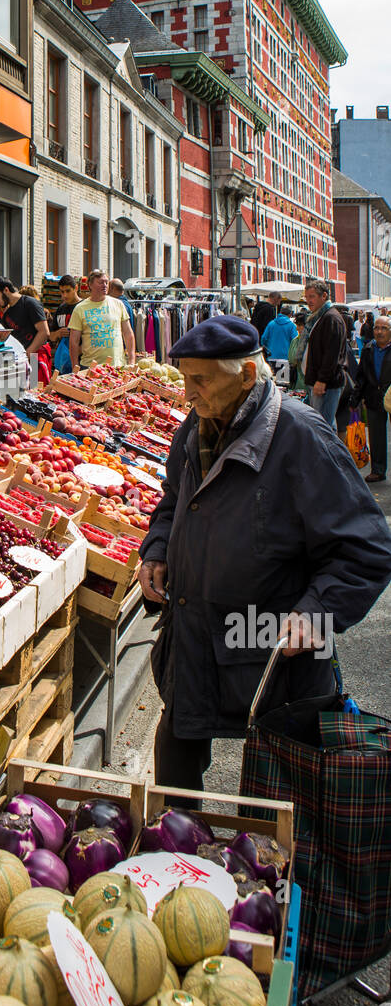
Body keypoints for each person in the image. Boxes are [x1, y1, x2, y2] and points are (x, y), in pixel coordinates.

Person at [136, 315, 391, 790]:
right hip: (193, 640)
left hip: (271, 650)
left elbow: (366, 548)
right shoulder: (195, 426)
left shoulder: (301, 435)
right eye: (185, 378)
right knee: (173, 790)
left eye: (200, 380)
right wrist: (157, 549)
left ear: (248, 375)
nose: (187, 393)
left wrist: (315, 613)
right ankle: (173, 856)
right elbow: (174, 499)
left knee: (276, 808)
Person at [298, 279, 348, 428]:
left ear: (324, 296)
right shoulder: (319, 317)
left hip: (326, 384)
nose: (308, 301)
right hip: (318, 381)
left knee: (323, 426)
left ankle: (329, 452)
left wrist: (322, 380)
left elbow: (332, 354)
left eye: (312, 296)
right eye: (307, 297)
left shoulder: (331, 318)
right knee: (325, 424)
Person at [68, 269, 134, 371]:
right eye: (100, 282)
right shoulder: (80, 308)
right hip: (90, 367)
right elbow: (74, 341)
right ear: (90, 285)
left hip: (117, 366)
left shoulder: (118, 304)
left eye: (106, 282)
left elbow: (128, 334)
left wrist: (132, 360)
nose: (105, 285)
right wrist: (74, 367)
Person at [0, 277, 52, 382]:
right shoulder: (7, 313)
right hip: (21, 361)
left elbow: (44, 332)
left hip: (36, 358)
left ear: (6, 290)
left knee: (36, 393)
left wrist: (27, 353)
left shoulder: (30, 303)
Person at [352, 314, 391, 482]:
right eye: (377, 328)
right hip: (373, 397)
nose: (379, 331)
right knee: (376, 436)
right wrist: (355, 398)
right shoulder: (368, 349)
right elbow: (361, 377)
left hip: (390, 397)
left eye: (384, 328)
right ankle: (378, 469)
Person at [49, 275, 80, 375]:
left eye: (68, 291)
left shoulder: (84, 307)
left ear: (76, 288)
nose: (65, 295)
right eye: (62, 292)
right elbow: (51, 336)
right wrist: (58, 333)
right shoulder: (60, 309)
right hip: (63, 362)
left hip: (81, 360)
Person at [109, 279, 137, 363]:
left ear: (112, 289)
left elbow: (126, 332)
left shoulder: (119, 305)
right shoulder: (127, 304)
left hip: (121, 350)